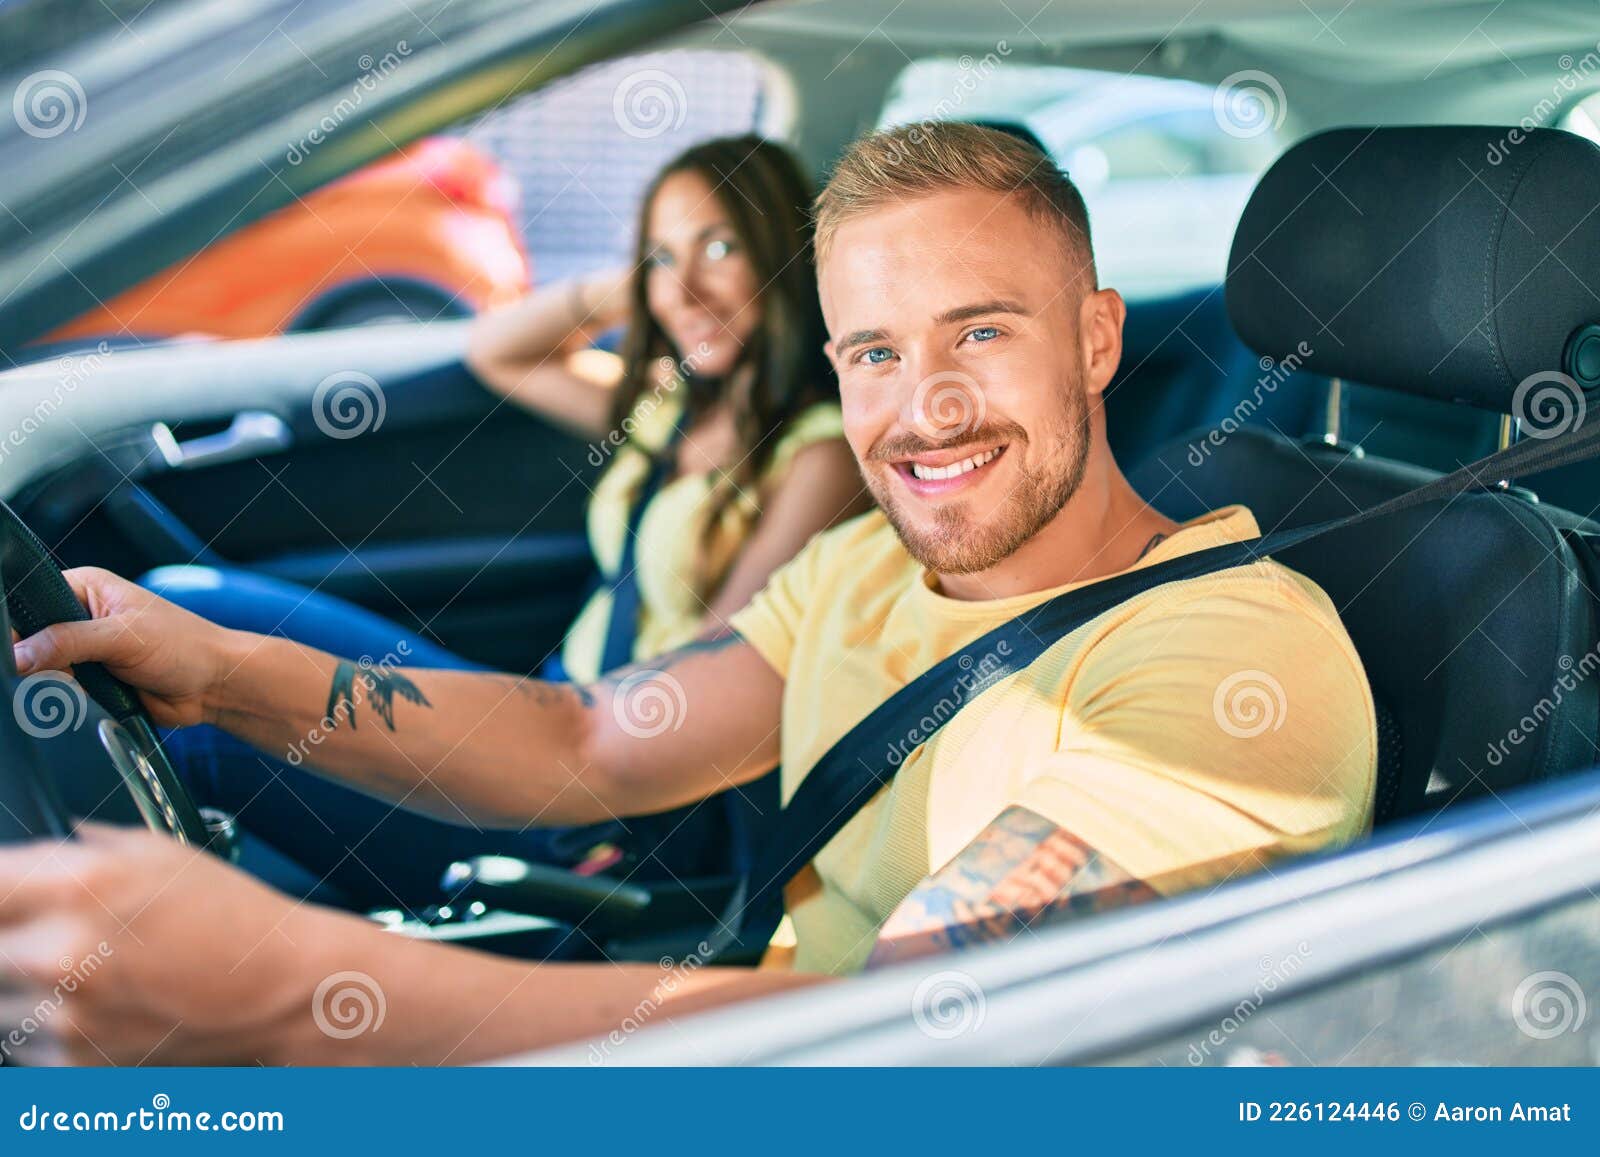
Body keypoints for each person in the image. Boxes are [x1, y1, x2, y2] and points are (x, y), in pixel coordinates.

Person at [0, 122, 1376, 1065]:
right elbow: (589, 738)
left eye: (981, 331)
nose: (927, 407)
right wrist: (221, 670)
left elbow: (904, 1051)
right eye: (875, 353)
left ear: (1096, 339)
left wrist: (295, 994)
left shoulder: (1230, 666)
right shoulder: (865, 564)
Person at [138, 134, 869, 907]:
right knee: (184, 603)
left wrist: (508, 732)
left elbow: (708, 676)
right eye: (661, 255)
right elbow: (501, 353)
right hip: (550, 708)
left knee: (202, 723)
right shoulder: (671, 406)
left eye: (720, 247)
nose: (685, 286)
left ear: (784, 255)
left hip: (599, 797)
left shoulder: (819, 456)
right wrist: (638, 288)